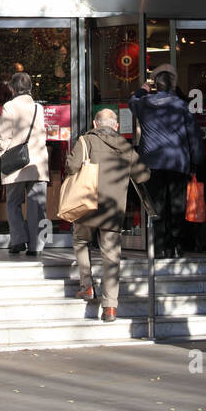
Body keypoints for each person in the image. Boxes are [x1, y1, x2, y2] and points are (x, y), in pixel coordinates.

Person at [65, 109, 150, 322]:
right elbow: (143, 175)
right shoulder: (125, 146)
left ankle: (86, 286)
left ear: (95, 124)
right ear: (116, 126)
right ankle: (110, 307)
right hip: (113, 209)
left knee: (81, 240)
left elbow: (71, 167)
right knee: (111, 257)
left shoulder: (86, 141)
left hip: (87, 203)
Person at [129, 69, 203, 258]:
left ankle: (159, 247)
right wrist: (195, 162)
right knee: (177, 205)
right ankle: (176, 246)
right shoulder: (181, 106)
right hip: (177, 162)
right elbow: (193, 136)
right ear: (172, 86)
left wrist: (142, 90)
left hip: (153, 163)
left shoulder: (144, 103)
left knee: (157, 206)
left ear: (155, 86)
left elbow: (132, 101)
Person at [0, 71, 49, 256]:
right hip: (37, 162)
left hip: (16, 162)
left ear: (12, 88)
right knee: (37, 204)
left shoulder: (9, 107)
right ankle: (37, 245)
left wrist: (1, 154)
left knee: (13, 203)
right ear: (30, 87)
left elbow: (3, 135)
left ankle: (18, 241)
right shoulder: (38, 108)